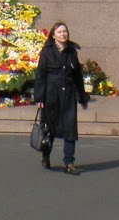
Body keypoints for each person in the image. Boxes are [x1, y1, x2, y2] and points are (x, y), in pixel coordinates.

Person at [32, 21, 89, 174]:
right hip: (51, 94)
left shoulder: (72, 51)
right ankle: (46, 154)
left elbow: (77, 76)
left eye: (65, 32)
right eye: (60, 32)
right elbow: (40, 75)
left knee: (70, 128)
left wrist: (82, 97)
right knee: (50, 128)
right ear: (53, 35)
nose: (63, 34)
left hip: (68, 95)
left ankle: (69, 163)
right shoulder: (47, 51)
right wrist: (39, 98)